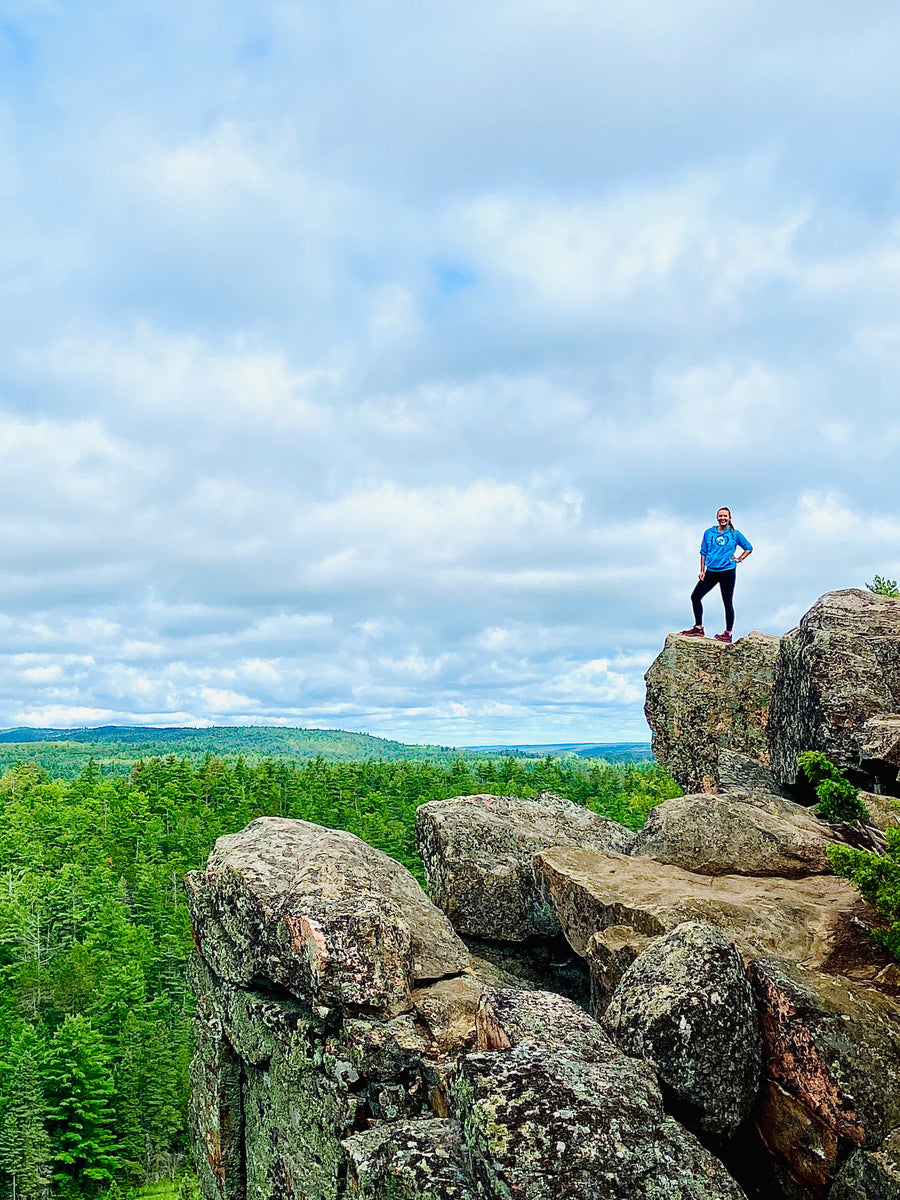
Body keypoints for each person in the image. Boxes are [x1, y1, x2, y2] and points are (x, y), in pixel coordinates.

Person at [680, 507, 752, 643]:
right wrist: (702, 570)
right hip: (711, 571)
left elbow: (749, 548)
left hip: (727, 571)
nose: (722, 518)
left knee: (727, 602)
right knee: (695, 597)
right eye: (720, 516)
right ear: (717, 518)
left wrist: (739, 558)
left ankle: (728, 634)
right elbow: (703, 552)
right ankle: (698, 627)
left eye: (725, 516)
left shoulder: (734, 534)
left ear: (729, 518)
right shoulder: (709, 533)